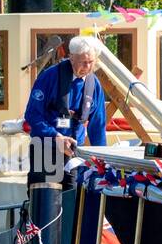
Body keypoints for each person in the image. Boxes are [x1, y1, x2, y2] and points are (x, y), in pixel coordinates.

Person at [24, 34, 107, 180]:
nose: (87, 67)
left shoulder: (94, 86)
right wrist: (56, 137)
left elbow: (98, 126)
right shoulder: (49, 77)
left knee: (72, 199)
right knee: (43, 199)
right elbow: (32, 115)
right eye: (83, 62)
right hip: (45, 149)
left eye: (91, 62)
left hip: (74, 155)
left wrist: (102, 161)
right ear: (71, 58)